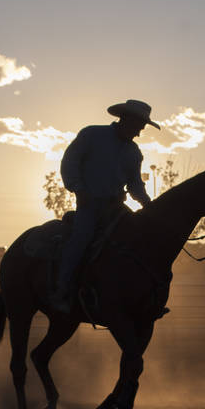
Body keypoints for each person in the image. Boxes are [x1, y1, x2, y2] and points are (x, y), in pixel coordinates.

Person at [47, 99, 159, 313]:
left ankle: (141, 297)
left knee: (139, 239)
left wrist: (147, 204)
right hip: (89, 205)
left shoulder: (133, 152)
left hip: (116, 208)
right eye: (139, 126)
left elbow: (135, 183)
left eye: (142, 128)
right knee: (81, 238)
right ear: (126, 119)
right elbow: (70, 162)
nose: (139, 132)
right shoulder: (92, 135)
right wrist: (79, 189)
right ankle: (60, 290)